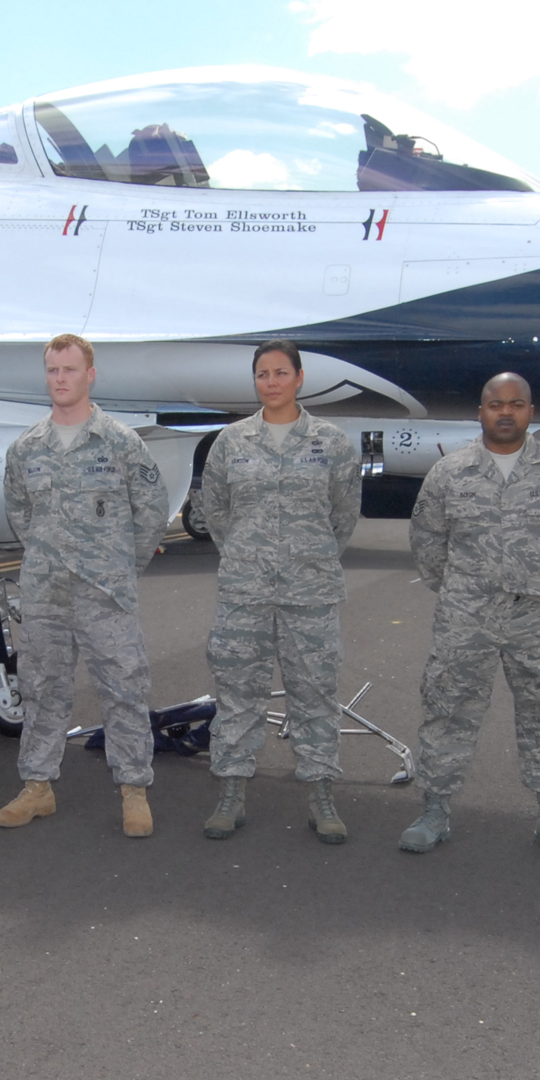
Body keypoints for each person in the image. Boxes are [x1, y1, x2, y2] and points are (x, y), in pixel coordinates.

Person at [399, 372, 540, 859]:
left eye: (517, 403)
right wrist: (465, 589)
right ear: (480, 411)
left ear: (531, 411)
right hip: (467, 614)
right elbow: (427, 542)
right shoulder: (449, 472)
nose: (506, 412)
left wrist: (537, 581)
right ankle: (435, 812)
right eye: (495, 404)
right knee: (447, 709)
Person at [0, 333, 173, 837]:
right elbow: (20, 514)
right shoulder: (27, 448)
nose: (60, 379)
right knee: (41, 688)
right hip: (46, 593)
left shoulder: (119, 442)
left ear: (89, 375)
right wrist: (52, 559)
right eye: (52, 370)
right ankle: (37, 787)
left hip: (105, 594)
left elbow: (152, 510)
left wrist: (119, 566)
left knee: (124, 688)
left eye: (69, 370)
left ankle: (134, 790)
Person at [196, 339, 363, 843]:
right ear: (255, 381)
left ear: (299, 377)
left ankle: (321, 795)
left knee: (314, 693)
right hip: (244, 591)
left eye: (280, 372)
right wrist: (250, 554)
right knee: (237, 693)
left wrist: (304, 557)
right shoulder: (231, 441)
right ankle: (231, 792)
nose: (272, 381)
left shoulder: (330, 442)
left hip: (309, 593)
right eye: (263, 374)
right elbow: (216, 511)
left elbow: (344, 515)